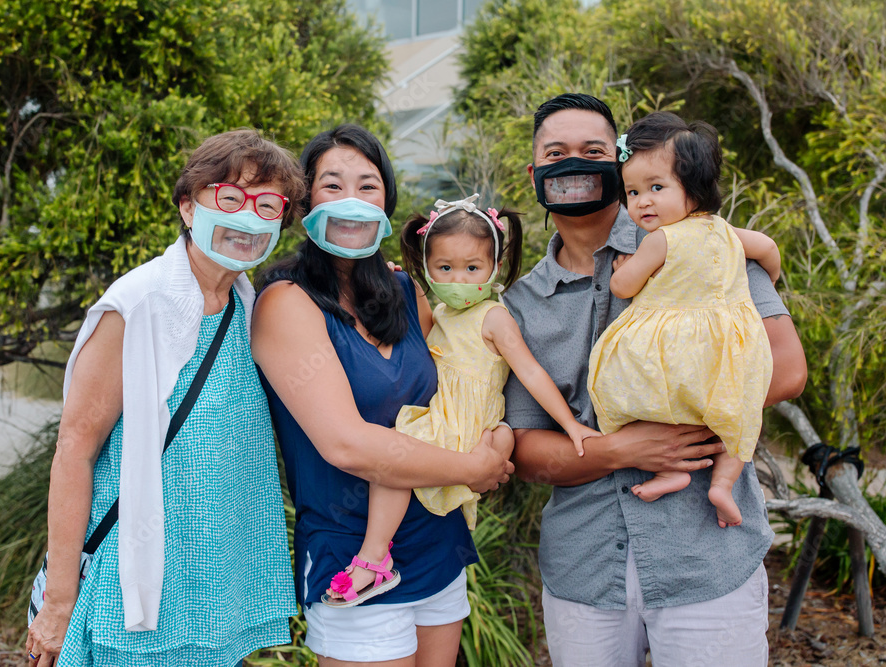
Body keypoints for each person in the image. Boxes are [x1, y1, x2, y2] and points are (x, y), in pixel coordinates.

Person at [502, 94, 807, 666]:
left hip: (706, 556)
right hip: (584, 566)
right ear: (535, 170)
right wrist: (621, 449)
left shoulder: (704, 244)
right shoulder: (520, 304)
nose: (574, 164)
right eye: (556, 152)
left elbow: (787, 369)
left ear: (619, 165)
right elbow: (527, 451)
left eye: (593, 151)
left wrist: (681, 416)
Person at [24, 129, 303, 667]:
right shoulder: (136, 305)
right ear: (188, 205)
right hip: (132, 578)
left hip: (213, 579)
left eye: (268, 204)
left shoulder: (248, 305)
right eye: (230, 197)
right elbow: (75, 450)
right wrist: (59, 600)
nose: (249, 218)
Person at [252, 125, 513, 666]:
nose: (352, 200)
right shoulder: (286, 301)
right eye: (332, 185)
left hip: (434, 537)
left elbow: (461, 375)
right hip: (354, 557)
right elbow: (347, 445)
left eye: (368, 186)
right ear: (305, 201)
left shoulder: (405, 290)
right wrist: (472, 466)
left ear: (388, 202)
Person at [322, 194, 601, 607]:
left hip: (465, 423)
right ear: (428, 268)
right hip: (447, 414)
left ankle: (372, 558)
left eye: (473, 269)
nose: (459, 281)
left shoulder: (494, 317)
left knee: (393, 462)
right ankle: (380, 557)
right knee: (396, 456)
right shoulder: (443, 312)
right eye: (445, 269)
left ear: (495, 267)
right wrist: (392, 277)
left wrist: (571, 423)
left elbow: (531, 372)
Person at [587, 111, 782, 529]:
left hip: (674, 356)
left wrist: (623, 266)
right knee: (740, 413)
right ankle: (723, 484)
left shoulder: (660, 240)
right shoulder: (726, 233)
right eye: (633, 192)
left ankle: (672, 471)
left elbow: (623, 288)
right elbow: (767, 248)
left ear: (692, 188)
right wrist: (766, 279)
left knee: (646, 396)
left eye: (657, 188)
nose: (643, 201)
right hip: (727, 354)